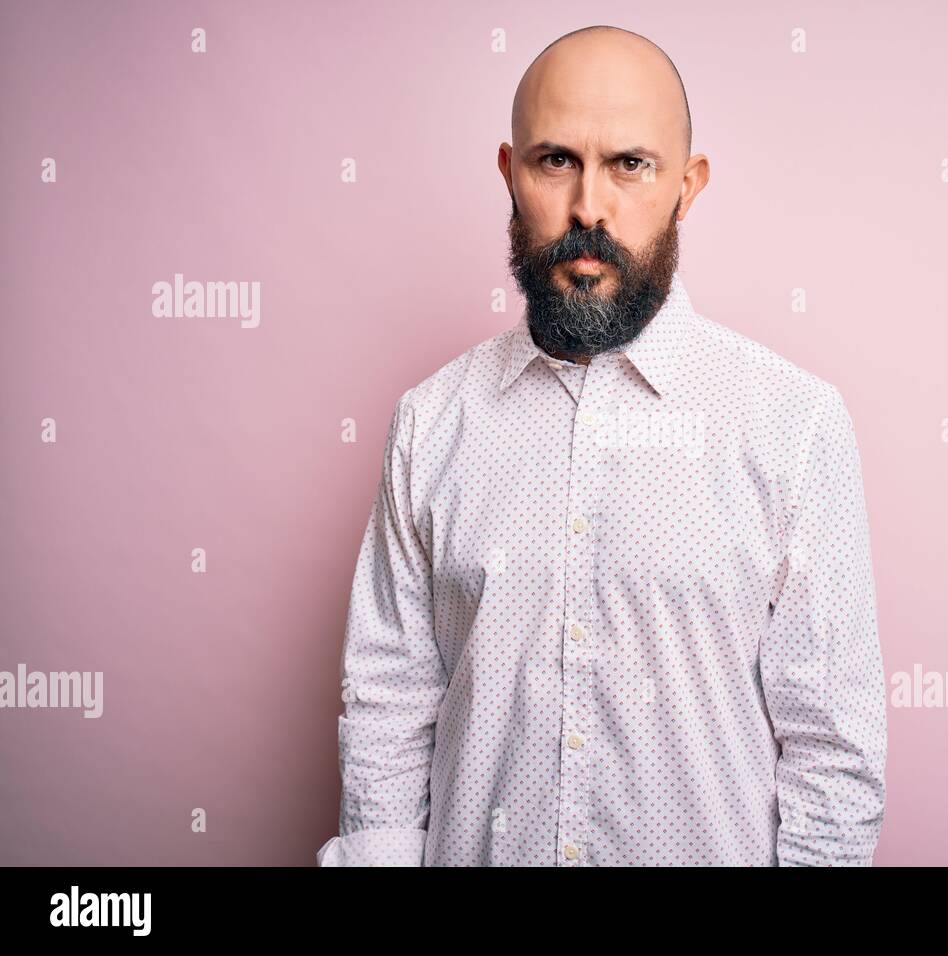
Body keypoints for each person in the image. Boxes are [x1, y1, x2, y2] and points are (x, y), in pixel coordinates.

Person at [317, 24, 886, 867]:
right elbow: (388, 712)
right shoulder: (430, 425)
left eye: (631, 164)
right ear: (511, 175)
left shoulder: (791, 425)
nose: (590, 207)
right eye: (556, 162)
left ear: (687, 186)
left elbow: (833, 751)